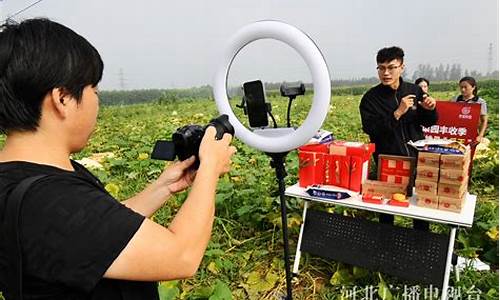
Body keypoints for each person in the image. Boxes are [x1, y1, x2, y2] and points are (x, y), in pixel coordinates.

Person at [0, 18, 236, 299]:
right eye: (94, 91)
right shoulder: (48, 202)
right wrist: (210, 168)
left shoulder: (28, 182)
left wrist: (164, 187)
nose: (96, 102)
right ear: (62, 98)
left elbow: (97, 231)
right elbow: (182, 255)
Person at [359, 46, 438, 230]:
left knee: (419, 207)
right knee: (386, 208)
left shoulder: (414, 90)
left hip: (416, 158)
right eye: (381, 68)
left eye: (391, 67)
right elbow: (371, 129)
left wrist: (431, 109)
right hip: (388, 160)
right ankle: (386, 243)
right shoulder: (370, 99)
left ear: (402, 67)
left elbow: (429, 123)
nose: (386, 73)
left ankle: (421, 241)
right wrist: (397, 113)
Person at [452, 76, 488, 143]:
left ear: (473, 87)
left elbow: (484, 121)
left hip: (472, 134)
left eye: (465, 87)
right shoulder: (455, 100)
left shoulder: (480, 102)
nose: (463, 89)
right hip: (456, 133)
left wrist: (480, 136)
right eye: (461, 87)